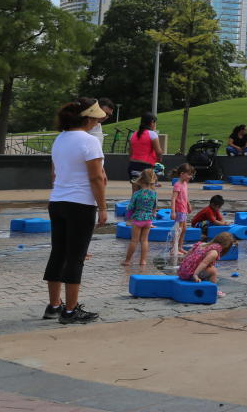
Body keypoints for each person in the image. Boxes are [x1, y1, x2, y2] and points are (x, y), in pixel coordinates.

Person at [43, 97, 108, 324]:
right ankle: (70, 311)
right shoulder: (89, 142)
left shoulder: (60, 139)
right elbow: (96, 177)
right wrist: (102, 207)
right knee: (75, 258)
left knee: (58, 253)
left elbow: (54, 174)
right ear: (89, 118)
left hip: (58, 202)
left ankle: (53, 305)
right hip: (80, 204)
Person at [177, 232, 233, 296]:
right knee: (213, 271)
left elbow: (189, 253)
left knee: (208, 268)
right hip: (190, 274)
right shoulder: (214, 252)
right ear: (226, 245)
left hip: (182, 271)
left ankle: (204, 283)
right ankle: (213, 290)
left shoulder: (202, 244)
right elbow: (203, 263)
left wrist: (183, 263)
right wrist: (195, 275)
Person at [123, 170, 158, 266]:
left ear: (141, 180)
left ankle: (127, 261)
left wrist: (129, 219)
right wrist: (152, 218)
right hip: (148, 220)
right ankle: (143, 261)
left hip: (138, 219)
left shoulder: (137, 194)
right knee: (144, 240)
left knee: (134, 240)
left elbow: (130, 207)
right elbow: (154, 207)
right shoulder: (154, 194)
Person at [127, 113, 164, 186]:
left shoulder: (134, 134)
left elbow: (130, 152)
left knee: (135, 191)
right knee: (148, 190)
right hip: (146, 166)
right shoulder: (152, 134)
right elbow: (158, 152)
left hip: (133, 165)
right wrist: (159, 158)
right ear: (152, 122)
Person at [169, 163, 194, 258]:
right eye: (189, 174)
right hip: (179, 210)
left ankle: (179, 247)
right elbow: (173, 199)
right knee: (178, 230)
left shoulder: (185, 184)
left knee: (184, 229)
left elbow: (185, 196)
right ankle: (173, 249)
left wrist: (189, 204)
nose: (190, 176)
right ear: (182, 174)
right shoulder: (177, 185)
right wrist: (173, 211)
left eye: (191, 174)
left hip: (184, 210)